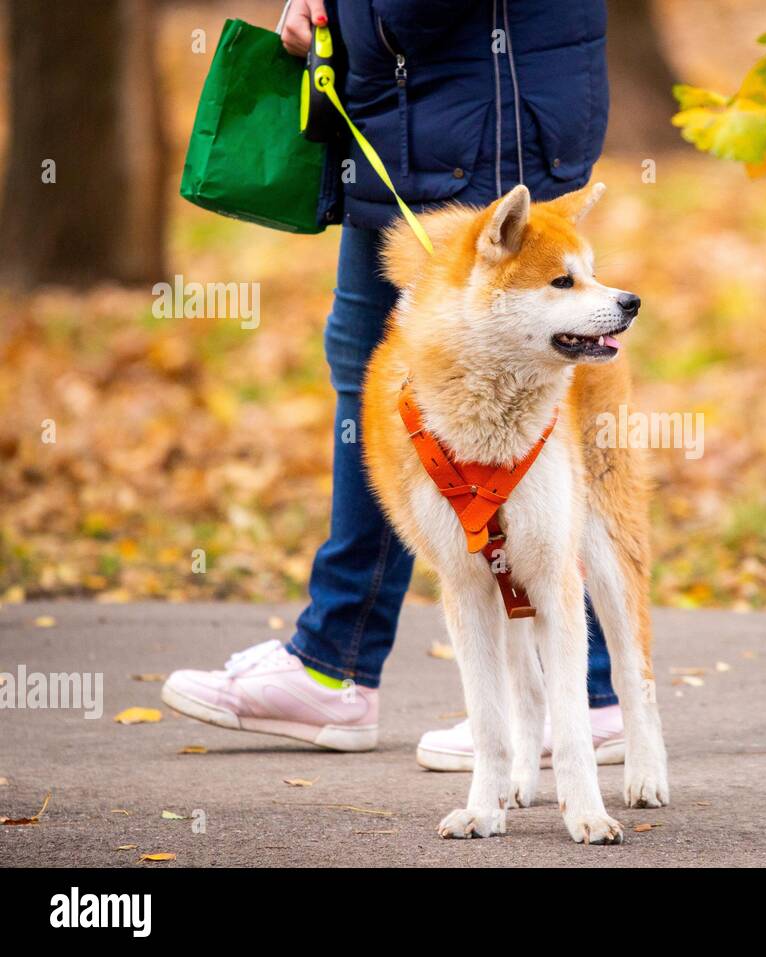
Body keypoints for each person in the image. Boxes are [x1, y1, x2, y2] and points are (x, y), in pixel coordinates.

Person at [161, 0, 624, 768]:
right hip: (411, 118)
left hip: (488, 105)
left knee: (519, 376)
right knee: (368, 363)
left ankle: (574, 695)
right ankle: (334, 662)